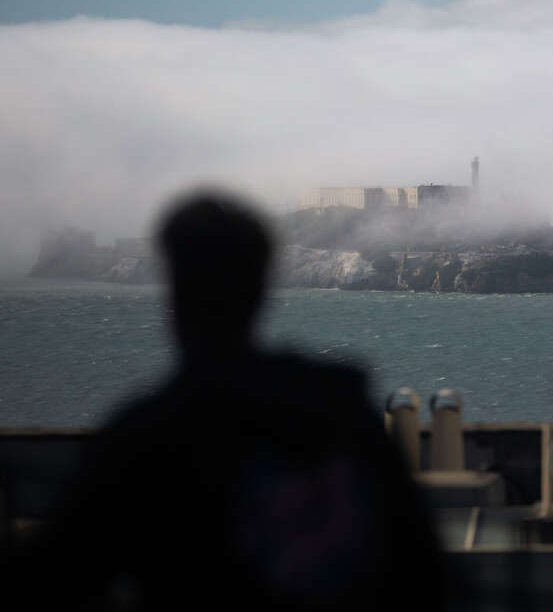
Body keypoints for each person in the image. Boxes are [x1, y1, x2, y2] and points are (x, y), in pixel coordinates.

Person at [5, 191, 445, 610]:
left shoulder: (146, 435)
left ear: (175, 293)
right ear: (260, 288)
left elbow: (53, 578)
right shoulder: (339, 412)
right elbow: (419, 569)